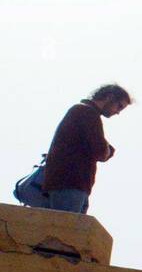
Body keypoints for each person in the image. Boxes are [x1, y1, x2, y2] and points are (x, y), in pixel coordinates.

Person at [37, 84, 132, 213]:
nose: (118, 112)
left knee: (61, 230)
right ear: (109, 97)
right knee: (67, 230)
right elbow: (99, 151)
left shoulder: (80, 111)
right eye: (119, 106)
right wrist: (109, 150)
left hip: (63, 185)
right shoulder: (88, 113)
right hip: (70, 185)